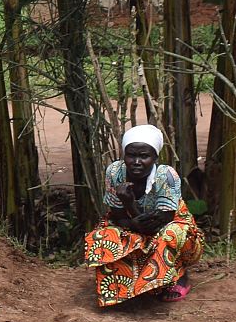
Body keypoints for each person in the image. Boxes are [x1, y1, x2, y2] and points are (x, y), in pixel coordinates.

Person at [84, 124, 203, 306]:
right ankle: (126, 285)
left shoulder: (167, 176)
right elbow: (118, 217)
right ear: (124, 155)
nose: (137, 161)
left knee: (170, 235)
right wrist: (131, 218)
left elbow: (156, 226)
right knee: (103, 236)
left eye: (144, 156)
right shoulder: (115, 172)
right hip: (129, 222)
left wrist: (129, 203)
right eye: (131, 155)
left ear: (155, 157)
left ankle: (179, 276)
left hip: (167, 225)